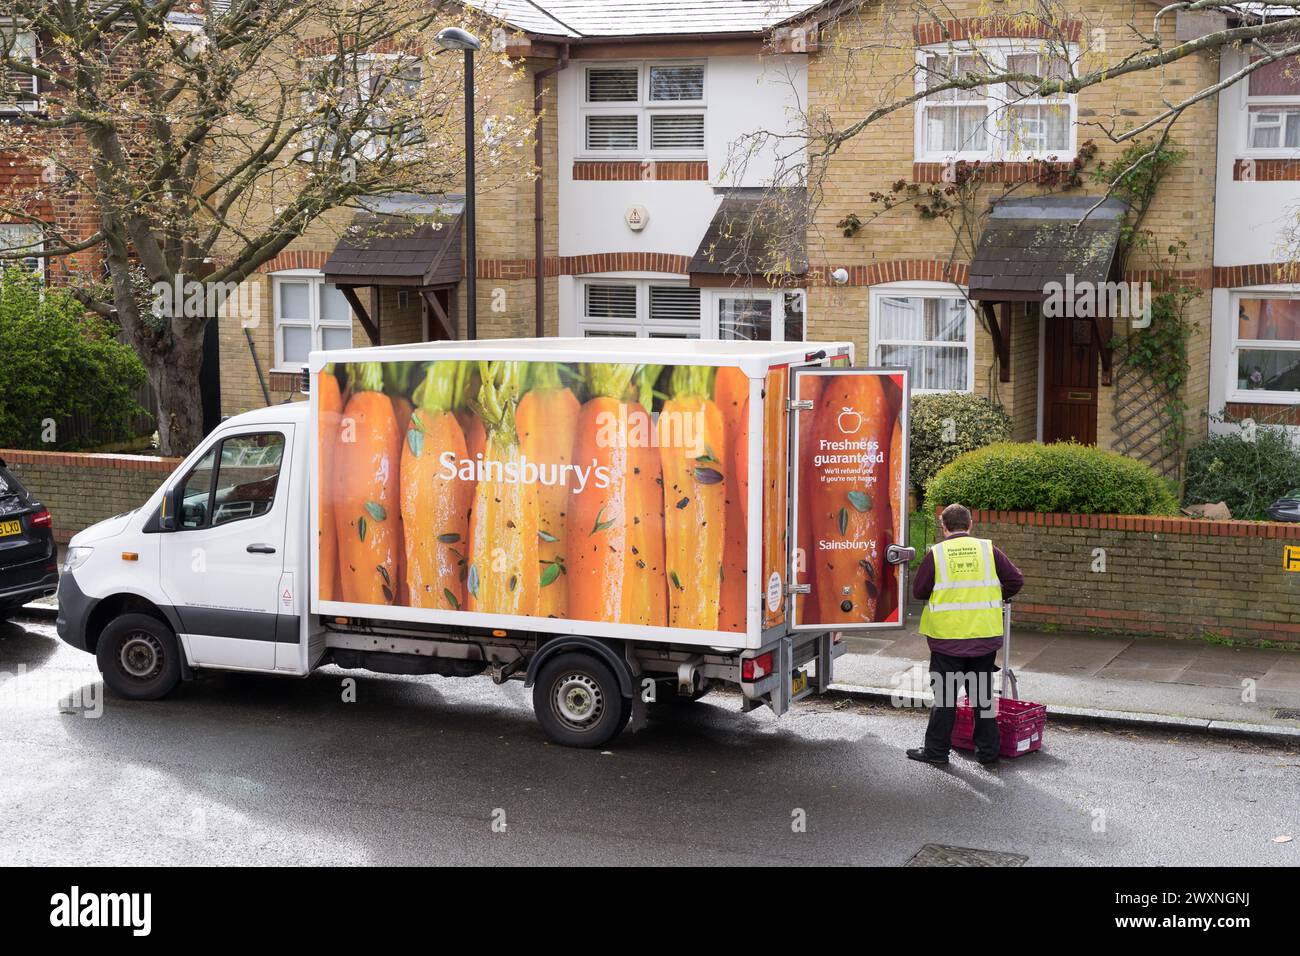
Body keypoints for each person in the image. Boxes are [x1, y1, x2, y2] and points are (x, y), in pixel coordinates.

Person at [906, 503, 1023, 767]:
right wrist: (995, 595)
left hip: (947, 640)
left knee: (945, 699)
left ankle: (936, 753)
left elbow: (919, 592)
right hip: (983, 638)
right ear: (970, 524)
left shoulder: (936, 553)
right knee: (982, 698)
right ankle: (988, 753)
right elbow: (1016, 580)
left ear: (943, 526)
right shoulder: (987, 550)